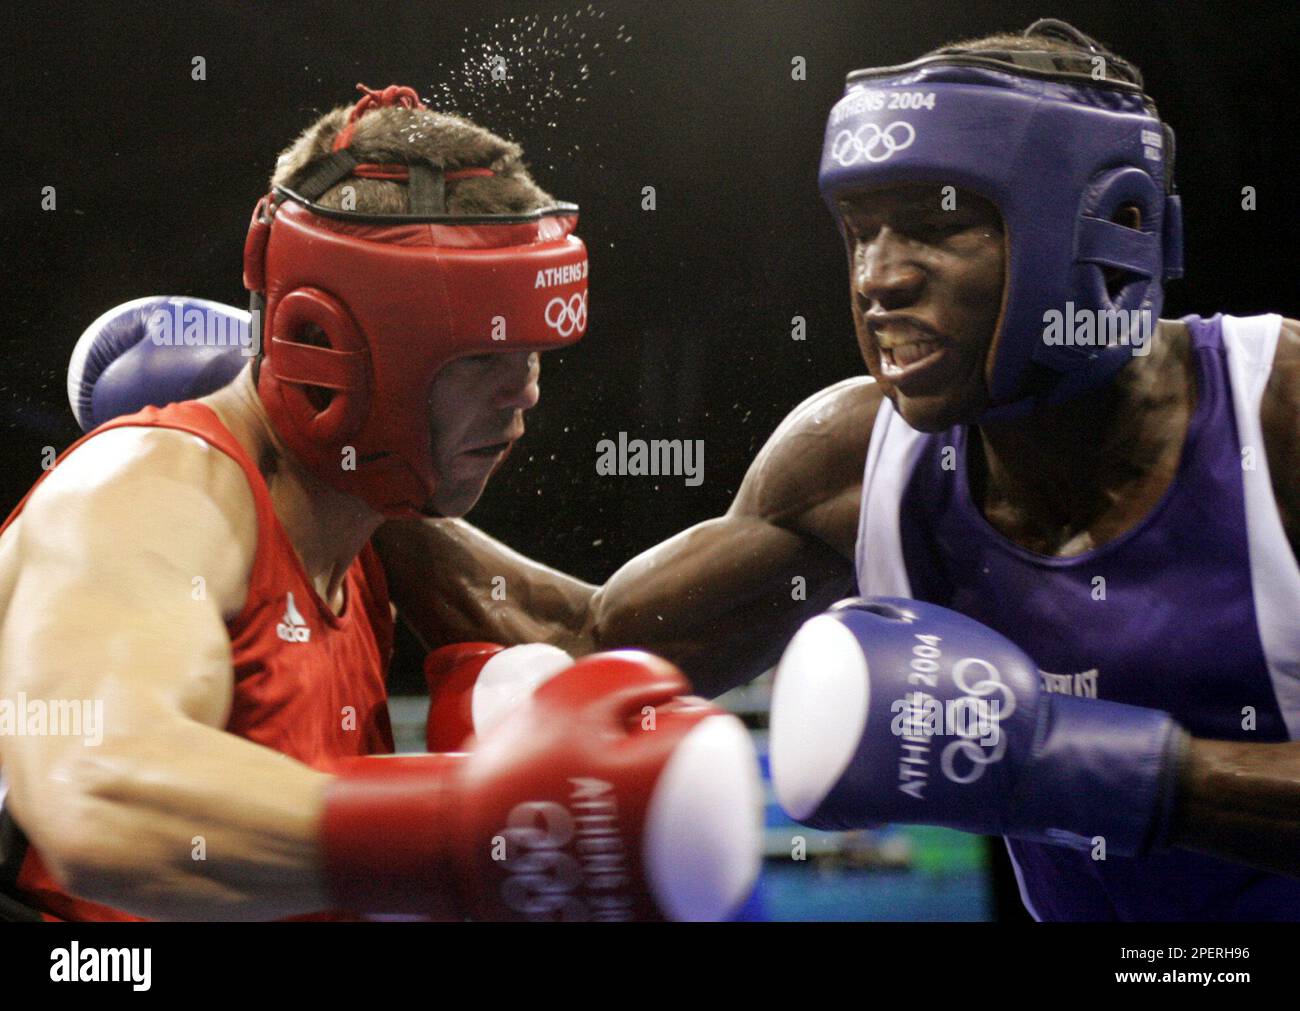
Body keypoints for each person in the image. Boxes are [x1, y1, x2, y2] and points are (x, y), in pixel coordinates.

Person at [61, 21, 1300, 921]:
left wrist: (1098, 769)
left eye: (938, 218)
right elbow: (597, 635)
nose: (878, 275)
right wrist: (303, 417)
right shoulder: (854, 456)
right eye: (860, 228)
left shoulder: (1281, 407)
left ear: (1105, 226)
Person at [0, 83, 760, 922]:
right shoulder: (148, 492)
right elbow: (97, 794)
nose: (525, 395)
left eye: (537, 353)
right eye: (481, 357)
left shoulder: (366, 532)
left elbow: (590, 633)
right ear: (331, 340)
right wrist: (465, 823)